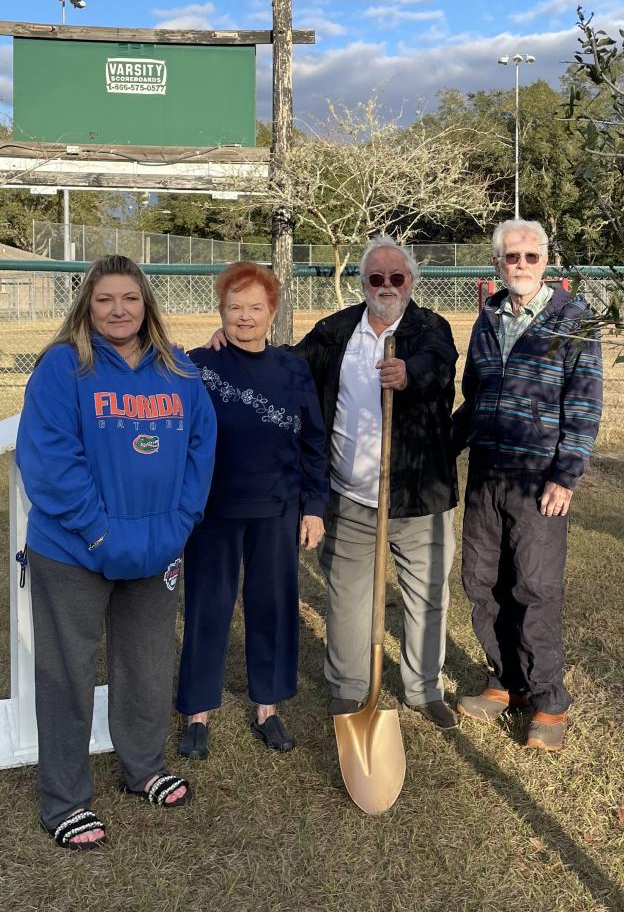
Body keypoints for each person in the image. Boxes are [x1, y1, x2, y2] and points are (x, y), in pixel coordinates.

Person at [206, 237, 460, 730]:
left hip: (420, 497)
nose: (386, 286)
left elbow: (439, 366)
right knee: (346, 597)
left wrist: (408, 374)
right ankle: (349, 688)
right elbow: (285, 363)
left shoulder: (431, 328)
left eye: (397, 277)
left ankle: (423, 688)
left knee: (427, 595)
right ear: (362, 283)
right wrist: (238, 341)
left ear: (411, 282)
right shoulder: (335, 331)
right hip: (350, 495)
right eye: (376, 278)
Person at [15, 255, 216, 849]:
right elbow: (50, 461)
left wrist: (180, 522)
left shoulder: (179, 370)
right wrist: (99, 533)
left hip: (159, 547)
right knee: (67, 672)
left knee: (147, 664)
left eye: (130, 297)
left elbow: (200, 449)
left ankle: (143, 766)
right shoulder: (63, 367)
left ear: (146, 303)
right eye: (105, 299)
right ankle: (65, 799)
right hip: (75, 549)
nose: (118, 310)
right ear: (87, 305)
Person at [453, 219, 603, 753]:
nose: (520, 265)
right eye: (510, 257)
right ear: (497, 263)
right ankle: (505, 681)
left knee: (535, 588)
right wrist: (439, 447)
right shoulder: (488, 317)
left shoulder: (574, 320)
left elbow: (584, 404)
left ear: (546, 261)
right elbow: (475, 397)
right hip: (487, 474)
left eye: (530, 257)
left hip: (538, 480)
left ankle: (548, 701)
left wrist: (566, 475)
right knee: (481, 581)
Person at [176, 263, 327, 758]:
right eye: (235, 307)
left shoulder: (293, 369)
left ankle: (268, 707)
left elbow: (313, 442)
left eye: (255, 307)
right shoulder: (196, 366)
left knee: (272, 606)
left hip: (277, 507)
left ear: (272, 312)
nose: (245, 317)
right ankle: (197, 711)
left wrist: (314, 507)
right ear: (220, 311)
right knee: (208, 606)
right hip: (214, 509)